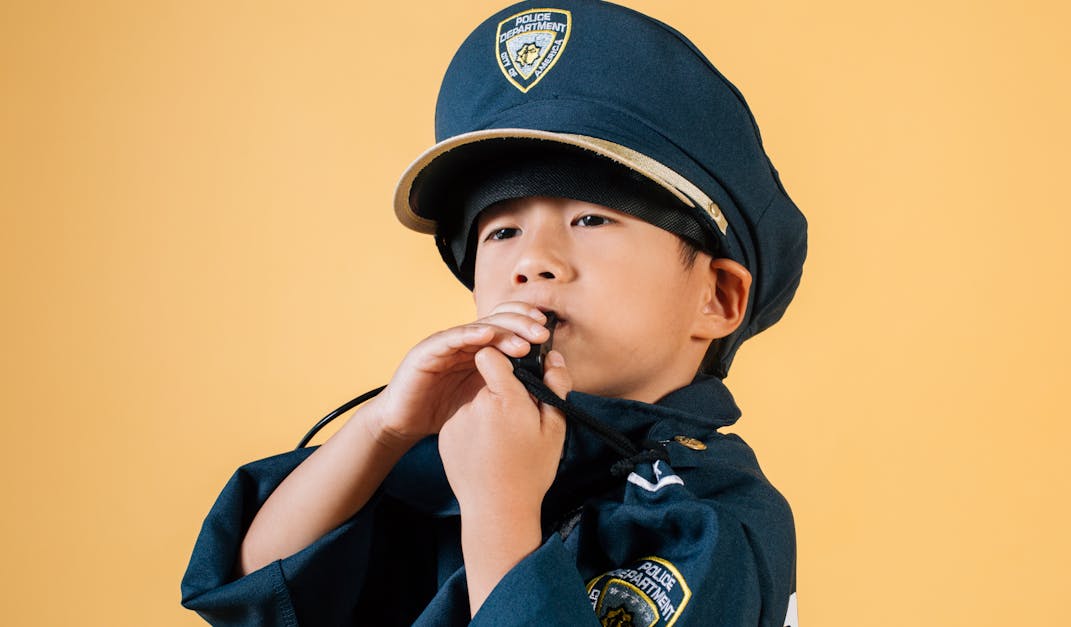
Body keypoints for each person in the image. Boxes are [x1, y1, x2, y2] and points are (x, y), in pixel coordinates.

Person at [181, 1, 808, 625]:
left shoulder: (712, 519)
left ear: (716, 298)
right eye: (501, 231)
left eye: (591, 219)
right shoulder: (470, 451)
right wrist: (384, 431)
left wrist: (500, 508)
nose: (534, 260)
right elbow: (259, 586)